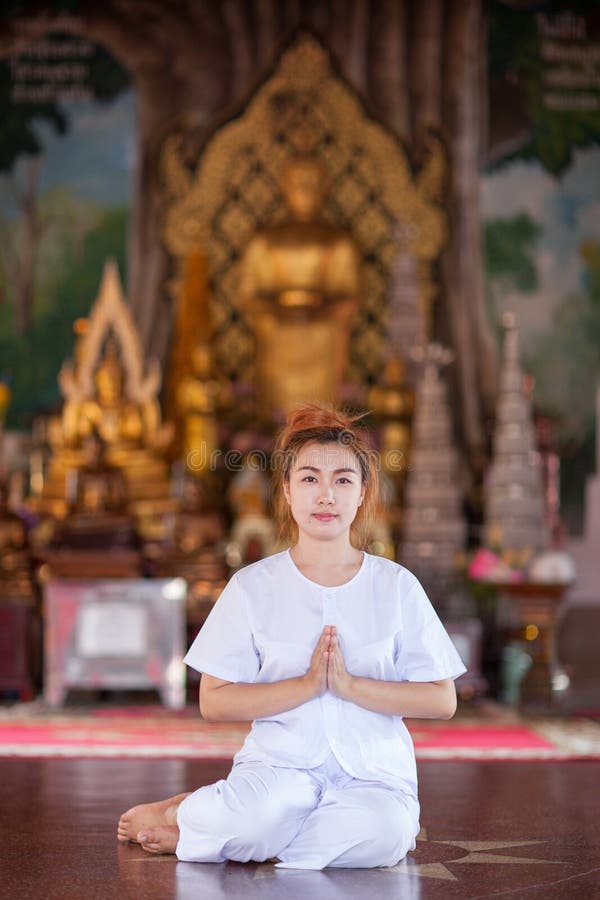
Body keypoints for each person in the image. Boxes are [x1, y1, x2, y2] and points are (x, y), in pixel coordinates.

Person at [117, 403, 466, 869]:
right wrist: (303, 688)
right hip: (279, 769)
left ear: (363, 493)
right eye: (309, 479)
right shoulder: (252, 586)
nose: (326, 496)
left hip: (373, 774)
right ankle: (191, 811)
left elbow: (442, 700)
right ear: (286, 490)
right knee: (274, 819)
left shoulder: (396, 585)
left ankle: (212, 830)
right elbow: (214, 702)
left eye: (343, 480)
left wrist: (349, 687)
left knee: (382, 837)